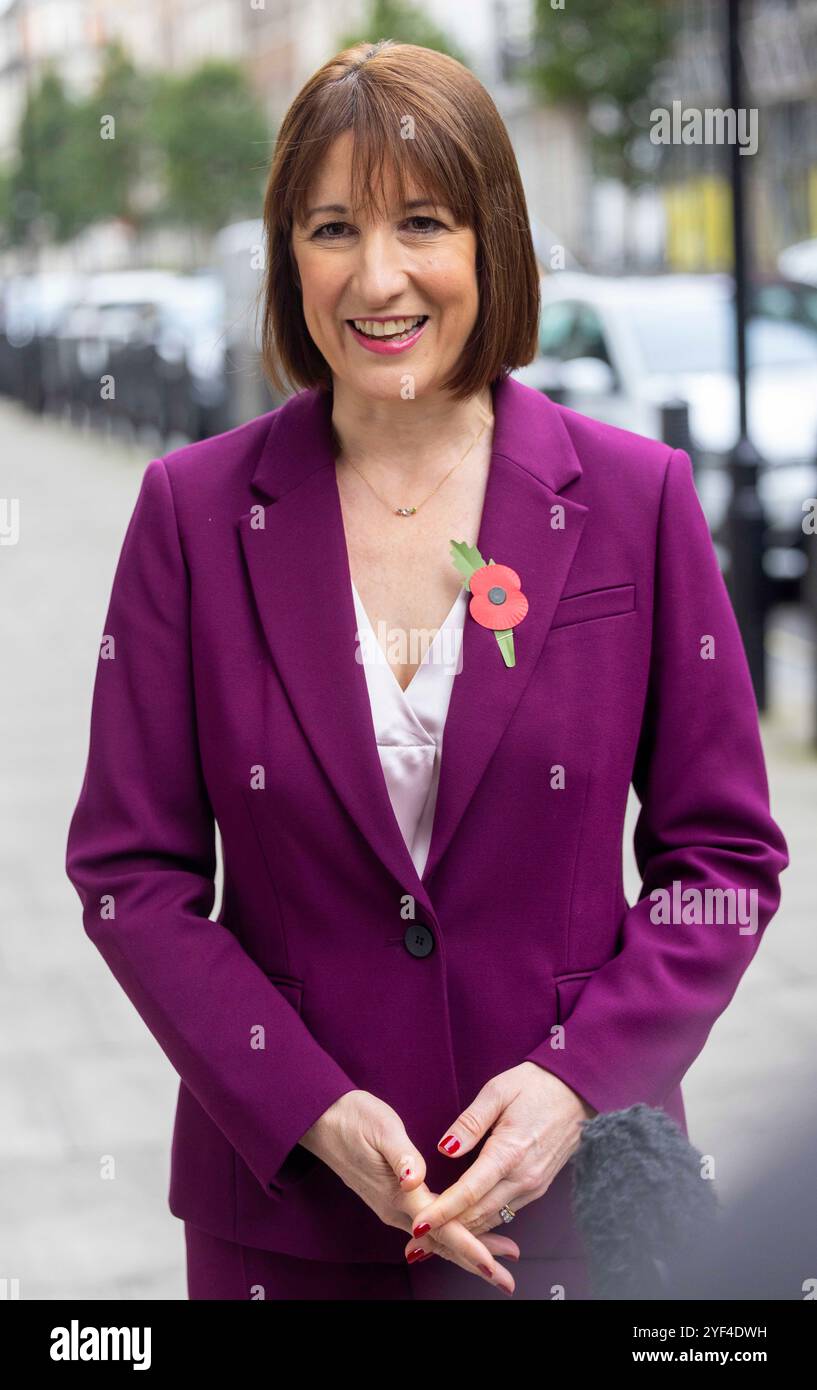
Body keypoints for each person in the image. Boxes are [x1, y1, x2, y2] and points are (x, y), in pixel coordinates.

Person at [65, 39, 789, 1301]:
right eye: (332, 226)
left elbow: (721, 863)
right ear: (288, 256)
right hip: (283, 1220)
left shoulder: (635, 500)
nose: (377, 275)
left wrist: (577, 1078)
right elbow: (133, 874)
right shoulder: (188, 513)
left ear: (490, 243)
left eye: (422, 223)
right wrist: (309, 1105)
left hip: (573, 1215)